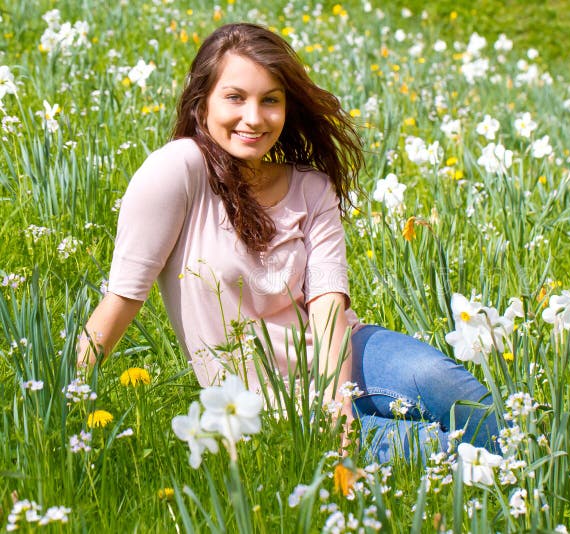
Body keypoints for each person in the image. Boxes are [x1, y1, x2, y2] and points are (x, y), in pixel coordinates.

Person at [78, 22, 498, 462]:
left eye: (270, 100)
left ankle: (546, 468)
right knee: (433, 449)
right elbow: (124, 295)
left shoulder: (311, 188)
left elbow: (327, 303)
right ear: (202, 104)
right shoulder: (176, 172)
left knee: (438, 379)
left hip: (339, 356)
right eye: (235, 97)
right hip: (258, 399)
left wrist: (339, 407)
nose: (254, 117)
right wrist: (68, 395)